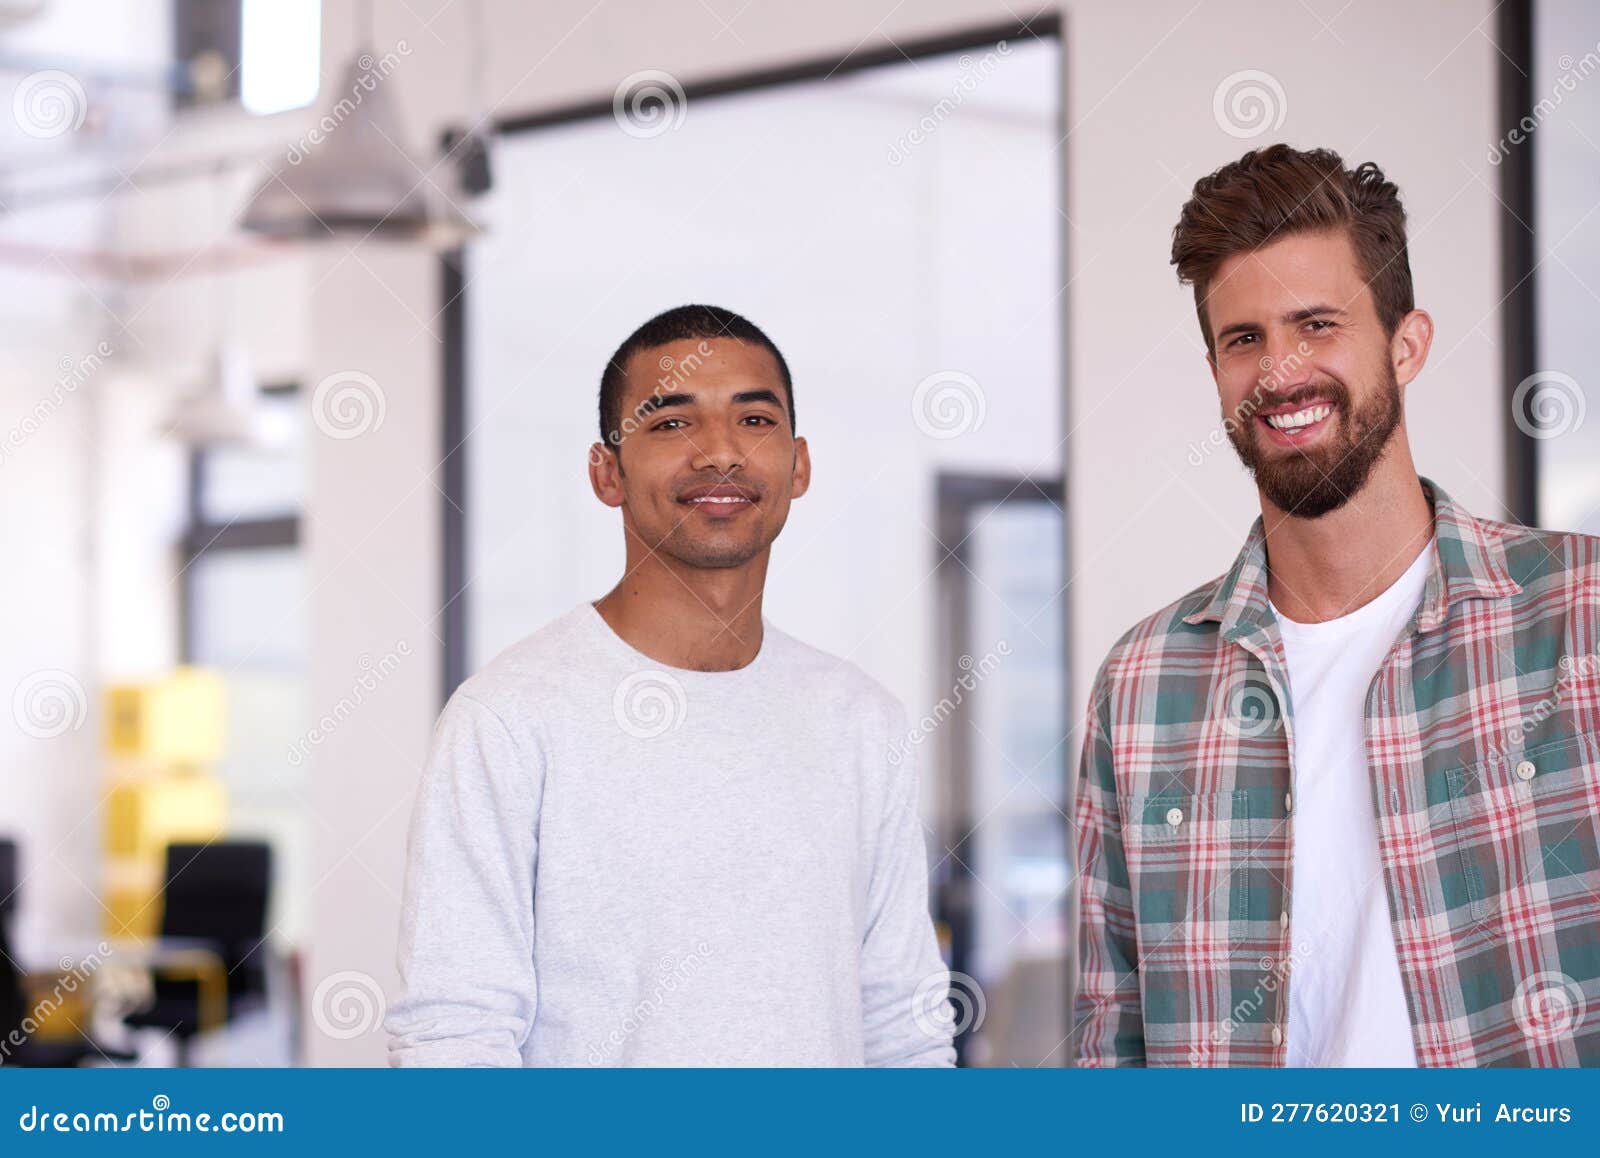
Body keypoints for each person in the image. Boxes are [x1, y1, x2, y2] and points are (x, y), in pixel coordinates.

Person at [1073, 144, 1600, 1067]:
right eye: (1245, 340)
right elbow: (1108, 1042)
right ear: (1215, 369)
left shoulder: (1578, 616)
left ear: (1407, 343)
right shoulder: (1144, 684)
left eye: (1316, 324)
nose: (1280, 372)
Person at [385, 304, 954, 1066]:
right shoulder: (508, 717)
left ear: (799, 464)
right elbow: (452, 1033)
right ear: (607, 472)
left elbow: (902, 1024)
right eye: (671, 423)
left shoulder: (862, 721)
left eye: (755, 421)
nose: (720, 452)